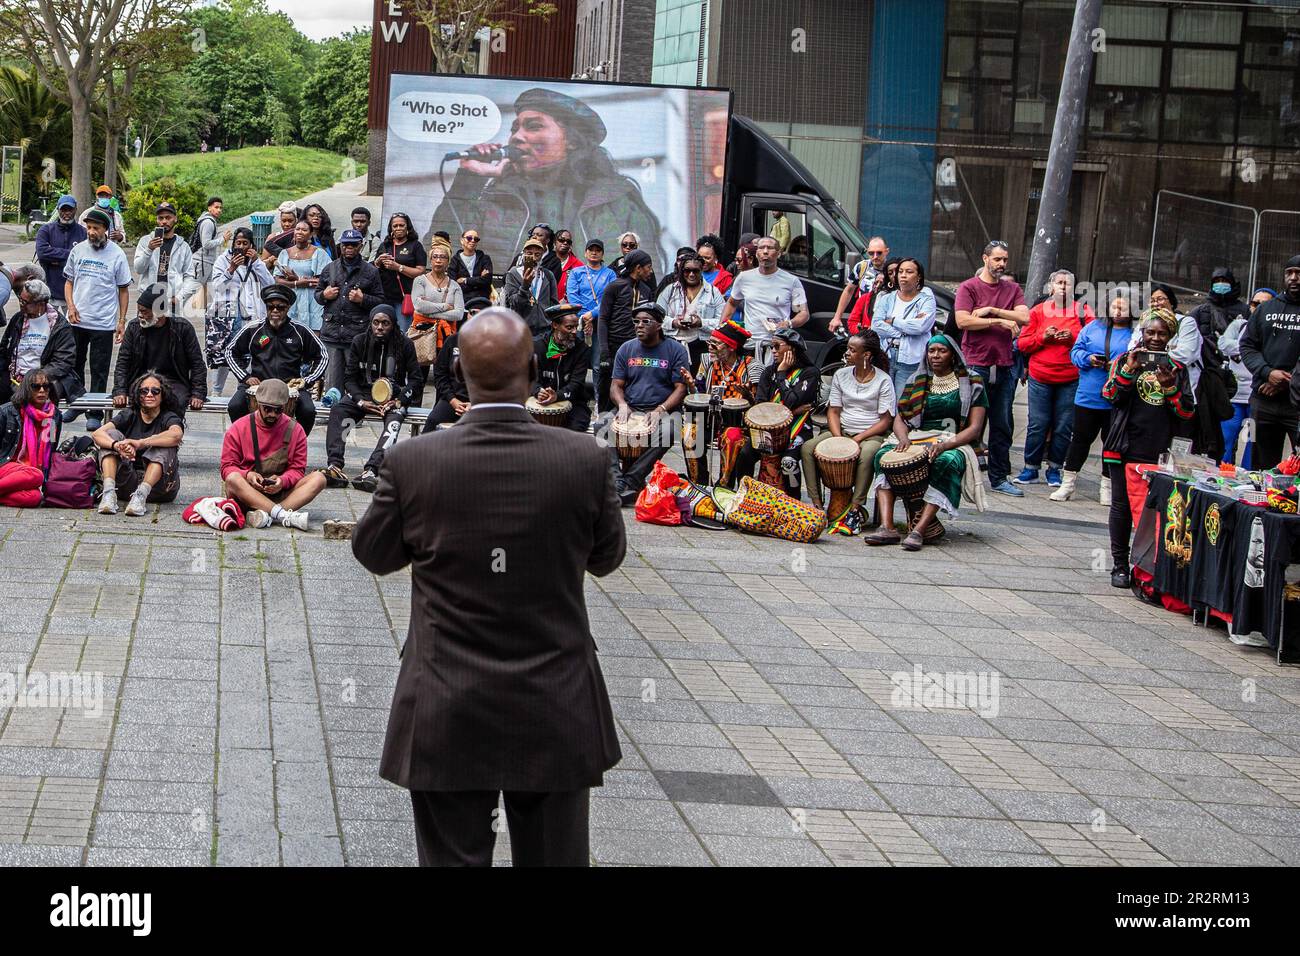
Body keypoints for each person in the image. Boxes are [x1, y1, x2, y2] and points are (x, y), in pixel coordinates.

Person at [352, 306, 625, 867]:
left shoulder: (413, 460)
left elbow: (373, 554)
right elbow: (607, 558)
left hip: (447, 697)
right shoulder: (584, 459)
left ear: (457, 369)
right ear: (532, 374)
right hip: (555, 698)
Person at [428, 85, 662, 273]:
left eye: (534, 126)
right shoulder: (494, 198)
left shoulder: (617, 201)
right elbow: (440, 251)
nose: (517, 137)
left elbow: (649, 271)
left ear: (570, 139)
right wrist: (468, 181)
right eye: (515, 128)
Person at [863, 334, 989, 550]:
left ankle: (919, 530)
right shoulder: (917, 379)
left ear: (953, 355)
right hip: (918, 436)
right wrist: (903, 438)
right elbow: (900, 418)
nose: (936, 355)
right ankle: (887, 526)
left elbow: (975, 428)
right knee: (882, 456)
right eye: (932, 351)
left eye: (942, 351)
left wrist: (944, 445)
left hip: (954, 439)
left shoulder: (971, 381)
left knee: (946, 461)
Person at [1100, 309, 1195, 588]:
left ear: (1171, 337)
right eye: (1150, 332)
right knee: (1121, 508)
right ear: (1142, 332)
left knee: (1158, 512)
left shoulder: (1178, 369)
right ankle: (1119, 565)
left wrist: (1170, 389)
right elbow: (1111, 396)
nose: (1155, 338)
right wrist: (1129, 371)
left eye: (1162, 333)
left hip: (1161, 451)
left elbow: (1187, 414)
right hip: (1124, 445)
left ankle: (1150, 567)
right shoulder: (1123, 361)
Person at [954, 240, 1030, 497]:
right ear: (985, 258)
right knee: (969, 420)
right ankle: (961, 472)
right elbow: (963, 320)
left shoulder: (1012, 289)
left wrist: (991, 310)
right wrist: (998, 320)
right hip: (976, 362)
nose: (1001, 264)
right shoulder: (969, 287)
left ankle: (999, 476)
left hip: (1005, 364)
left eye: (1005, 260)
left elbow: (1025, 317)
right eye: (997, 259)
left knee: (1003, 423)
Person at [322, 304, 424, 492]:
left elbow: (416, 380)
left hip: (394, 396)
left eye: (385, 323)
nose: (380, 327)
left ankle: (371, 471)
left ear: (393, 325)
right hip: (363, 394)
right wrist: (361, 401)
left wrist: (399, 400)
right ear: (370, 323)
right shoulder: (360, 341)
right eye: (376, 322)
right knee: (339, 411)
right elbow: (349, 378)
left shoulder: (405, 344)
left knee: (394, 423)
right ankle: (335, 466)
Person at [801, 331, 895, 532]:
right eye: (848, 349)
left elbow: (886, 420)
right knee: (808, 448)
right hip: (841, 430)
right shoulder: (841, 375)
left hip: (871, 434)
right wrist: (838, 439)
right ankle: (816, 504)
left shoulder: (883, 380)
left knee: (868, 454)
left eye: (853, 350)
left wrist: (859, 438)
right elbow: (833, 412)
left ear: (867, 355)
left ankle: (855, 509)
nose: (847, 353)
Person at [1014, 269, 1093, 487]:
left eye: (1068, 283)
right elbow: (1022, 344)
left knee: (1063, 426)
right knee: (1038, 423)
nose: (1063, 287)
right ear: (1051, 287)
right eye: (1059, 282)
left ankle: (1055, 469)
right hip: (1041, 376)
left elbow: (1093, 341)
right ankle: (1030, 468)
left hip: (1071, 377)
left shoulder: (1084, 312)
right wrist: (1043, 337)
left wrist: (1072, 338)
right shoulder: (1038, 311)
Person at [1052, 294, 1134, 503]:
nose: (1117, 312)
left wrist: (1117, 365)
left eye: (1122, 308)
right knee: (1079, 440)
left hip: (1117, 397)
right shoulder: (1092, 327)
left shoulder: (1135, 333)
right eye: (1114, 307)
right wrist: (1088, 359)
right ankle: (1067, 484)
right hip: (1088, 394)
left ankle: (1106, 487)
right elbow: (1075, 352)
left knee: (1112, 443)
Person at [606, 303, 690, 504]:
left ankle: (630, 480)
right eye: (636, 322)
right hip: (631, 407)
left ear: (659, 324)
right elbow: (615, 386)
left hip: (660, 409)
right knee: (602, 424)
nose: (639, 326)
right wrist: (623, 405)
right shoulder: (627, 349)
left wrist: (660, 409)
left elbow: (680, 388)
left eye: (646, 321)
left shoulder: (675, 350)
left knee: (670, 429)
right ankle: (618, 480)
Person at [220, 377, 326, 530]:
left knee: (319, 479)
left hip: (280, 492)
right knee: (233, 478)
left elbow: (298, 470)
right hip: (247, 492)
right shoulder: (238, 428)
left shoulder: (296, 430)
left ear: (285, 406)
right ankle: (282, 515)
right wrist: (247, 475)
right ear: (258, 404)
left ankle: (268, 515)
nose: (272, 414)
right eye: (267, 409)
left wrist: (282, 481)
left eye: (278, 410)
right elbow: (226, 468)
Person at [224, 285, 327, 434]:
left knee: (308, 411)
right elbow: (229, 352)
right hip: (258, 382)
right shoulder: (254, 329)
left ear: (288, 308)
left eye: (280, 307)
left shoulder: (300, 330)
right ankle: (245, 440)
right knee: (235, 406)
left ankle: (297, 444)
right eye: (270, 307)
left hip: (291, 384)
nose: (275, 311)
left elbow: (322, 354)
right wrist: (245, 377)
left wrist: (308, 379)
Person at [62, 208, 131, 430]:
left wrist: (121, 321)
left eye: (96, 228)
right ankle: (77, 403)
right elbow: (69, 282)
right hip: (77, 319)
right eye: (89, 228)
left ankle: (95, 411)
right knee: (74, 365)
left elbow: (123, 290)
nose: (91, 232)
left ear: (105, 230)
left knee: (99, 369)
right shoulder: (78, 251)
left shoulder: (117, 254)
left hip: (102, 322)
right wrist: (70, 306)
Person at [736, 327, 819, 496]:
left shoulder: (810, 373)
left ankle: (794, 499)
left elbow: (791, 400)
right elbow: (761, 406)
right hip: (767, 430)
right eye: (771, 347)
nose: (773, 351)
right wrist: (792, 411)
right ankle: (744, 494)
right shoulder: (768, 372)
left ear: (792, 349)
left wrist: (781, 374)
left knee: (789, 462)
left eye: (777, 346)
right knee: (745, 454)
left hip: (798, 428)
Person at [92, 371, 184, 516]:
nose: (149, 394)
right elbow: (97, 433)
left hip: (159, 487)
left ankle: (141, 496)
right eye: (144, 391)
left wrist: (141, 443)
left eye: (155, 391)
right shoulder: (130, 414)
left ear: (162, 394)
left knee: (163, 443)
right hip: (127, 481)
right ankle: (108, 493)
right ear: (137, 394)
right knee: (110, 436)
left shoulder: (169, 417)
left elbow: (176, 435)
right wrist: (117, 445)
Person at [1240, 256, 1300, 469]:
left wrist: (1286, 381)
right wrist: (1267, 372)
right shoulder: (1265, 309)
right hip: (1262, 401)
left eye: (1298, 273)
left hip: (1297, 404)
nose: (1293, 278)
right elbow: (1247, 346)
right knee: (1258, 462)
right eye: (1289, 272)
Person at [112, 284, 207, 413]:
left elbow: (197, 364)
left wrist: (198, 393)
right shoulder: (134, 327)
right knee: (141, 401)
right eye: (139, 311)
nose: (140, 315)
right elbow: (123, 362)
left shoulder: (183, 328)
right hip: (142, 379)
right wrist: (119, 390)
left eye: (145, 311)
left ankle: (170, 431)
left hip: (174, 382)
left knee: (175, 402)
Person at [719, 236, 809, 365]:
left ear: (779, 253)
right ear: (756, 254)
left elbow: (803, 313)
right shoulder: (744, 278)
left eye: (770, 248)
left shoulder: (791, 281)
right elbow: (732, 302)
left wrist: (789, 324)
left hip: (777, 345)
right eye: (761, 248)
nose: (765, 252)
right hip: (750, 344)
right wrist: (722, 327)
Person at [316, 229, 385, 396]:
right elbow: (318, 294)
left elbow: (380, 301)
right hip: (332, 333)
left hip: (357, 334)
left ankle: (356, 410)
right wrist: (324, 295)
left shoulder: (371, 271)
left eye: (353, 245)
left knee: (356, 377)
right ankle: (333, 411)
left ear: (360, 246)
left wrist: (363, 299)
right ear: (340, 246)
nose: (349, 248)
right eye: (345, 245)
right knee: (332, 380)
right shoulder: (330, 268)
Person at [207, 227, 274, 396]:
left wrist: (257, 263)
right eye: (238, 243)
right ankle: (216, 392)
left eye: (245, 243)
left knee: (247, 355)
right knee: (222, 355)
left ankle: (243, 391)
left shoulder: (256, 263)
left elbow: (270, 285)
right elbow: (217, 288)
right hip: (225, 317)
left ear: (251, 245)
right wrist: (231, 268)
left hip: (250, 317)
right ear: (233, 244)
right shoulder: (222, 261)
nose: (242, 247)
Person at [0, 280, 81, 408]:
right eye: (20, 300)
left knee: (28, 393)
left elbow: (64, 360)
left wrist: (36, 377)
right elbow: (4, 350)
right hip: (14, 376)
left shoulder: (59, 326)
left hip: (42, 378)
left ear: (41, 304)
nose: (21, 305)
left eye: (25, 302)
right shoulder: (18, 319)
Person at [1218, 289, 1273, 469]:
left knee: (1253, 441)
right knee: (1226, 437)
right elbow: (1223, 344)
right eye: (1254, 303)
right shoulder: (1239, 324)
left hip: (1258, 396)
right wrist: (1249, 349)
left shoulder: (1274, 331)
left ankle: (1249, 480)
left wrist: (1243, 350)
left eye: (1264, 304)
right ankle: (1220, 474)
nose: (1257, 307)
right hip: (1234, 396)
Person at [596, 249, 655, 413]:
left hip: (637, 348)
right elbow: (603, 319)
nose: (650, 271)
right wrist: (604, 351)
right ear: (638, 268)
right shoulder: (615, 286)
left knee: (632, 387)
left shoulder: (646, 290)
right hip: (614, 347)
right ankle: (603, 425)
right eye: (648, 267)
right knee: (607, 388)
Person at [871, 257, 937, 393]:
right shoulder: (887, 298)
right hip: (887, 355)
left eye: (909, 272)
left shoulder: (926, 299)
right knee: (884, 402)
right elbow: (876, 325)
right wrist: (901, 333)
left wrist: (894, 321)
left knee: (904, 405)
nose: (903, 275)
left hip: (911, 358)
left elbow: (921, 326)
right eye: (900, 271)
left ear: (918, 276)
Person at [0, 369, 61, 507]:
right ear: (27, 388)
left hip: (27, 474)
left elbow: (52, 447)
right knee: (37, 475)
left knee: (34, 497)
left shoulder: (54, 416)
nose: (42, 390)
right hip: (4, 464)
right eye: (36, 386)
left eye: (46, 386)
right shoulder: (7, 412)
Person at [531, 303, 591, 432]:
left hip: (574, 401)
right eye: (569, 327)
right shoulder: (537, 346)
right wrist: (538, 391)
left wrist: (557, 396)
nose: (575, 332)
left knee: (577, 428)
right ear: (555, 325)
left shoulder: (582, 349)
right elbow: (529, 379)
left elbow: (576, 384)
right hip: (539, 400)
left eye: (576, 327)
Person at [659, 255, 725, 370]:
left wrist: (701, 323)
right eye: (687, 270)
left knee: (698, 383)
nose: (691, 274)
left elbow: (722, 322)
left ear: (702, 270)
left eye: (695, 271)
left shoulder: (713, 292)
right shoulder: (670, 290)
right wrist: (674, 323)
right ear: (682, 271)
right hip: (672, 344)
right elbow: (657, 317)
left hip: (702, 346)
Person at [132, 202, 193, 312]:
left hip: (172, 303)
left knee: (174, 329)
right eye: (161, 218)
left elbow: (190, 275)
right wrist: (149, 249)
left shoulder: (183, 247)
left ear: (175, 219)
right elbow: (138, 269)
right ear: (157, 220)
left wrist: (180, 297)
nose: (164, 221)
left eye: (168, 217)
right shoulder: (145, 241)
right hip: (148, 302)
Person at [374, 212, 428, 335]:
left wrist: (398, 267)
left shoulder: (415, 246)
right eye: (395, 226)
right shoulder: (385, 245)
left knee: (403, 332)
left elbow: (421, 271)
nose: (398, 228)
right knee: (382, 332)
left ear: (407, 227)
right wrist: (378, 261)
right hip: (384, 296)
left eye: (401, 225)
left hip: (404, 297)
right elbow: (374, 269)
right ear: (391, 228)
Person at [275, 220, 331, 332]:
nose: (299, 232)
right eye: (297, 229)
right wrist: (296, 283)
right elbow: (277, 280)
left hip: (312, 299)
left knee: (313, 333)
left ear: (311, 234)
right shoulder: (285, 253)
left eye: (304, 230)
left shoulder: (319, 253)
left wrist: (304, 281)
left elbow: (327, 279)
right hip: (290, 298)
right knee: (290, 331)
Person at [830, 235, 889, 334]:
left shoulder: (893, 270)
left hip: (884, 320)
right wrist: (837, 317)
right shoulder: (861, 267)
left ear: (886, 251)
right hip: (863, 319)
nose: (875, 256)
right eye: (871, 253)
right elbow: (848, 291)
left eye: (879, 253)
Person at [35, 196, 86, 309]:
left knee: (72, 326)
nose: (66, 213)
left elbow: (85, 258)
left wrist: (55, 259)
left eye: (70, 209)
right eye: (63, 210)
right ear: (58, 210)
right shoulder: (45, 230)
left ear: (75, 210)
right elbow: (42, 254)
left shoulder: (83, 232)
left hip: (75, 295)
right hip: (49, 293)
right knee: (49, 326)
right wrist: (72, 255)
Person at [412, 243, 465, 350]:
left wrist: (429, 313)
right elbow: (419, 307)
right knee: (422, 364)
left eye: (443, 257)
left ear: (448, 261)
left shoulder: (455, 286)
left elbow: (459, 314)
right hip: (422, 331)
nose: (438, 260)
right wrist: (445, 306)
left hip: (446, 333)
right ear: (430, 260)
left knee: (442, 366)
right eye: (435, 256)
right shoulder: (420, 280)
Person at [565, 239, 615, 351]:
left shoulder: (610, 274)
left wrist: (593, 314)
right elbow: (572, 296)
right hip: (579, 321)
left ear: (602, 254)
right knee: (577, 357)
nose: (594, 252)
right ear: (585, 253)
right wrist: (585, 317)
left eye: (598, 250)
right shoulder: (576, 272)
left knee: (597, 364)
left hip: (601, 321)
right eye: (591, 250)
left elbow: (611, 299)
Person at [504, 236, 559, 334]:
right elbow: (512, 303)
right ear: (524, 254)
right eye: (529, 254)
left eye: (537, 254)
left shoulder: (548, 275)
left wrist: (549, 321)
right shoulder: (513, 273)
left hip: (544, 330)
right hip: (520, 329)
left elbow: (554, 303)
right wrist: (525, 285)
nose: (533, 258)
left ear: (542, 255)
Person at [695, 319, 761, 400]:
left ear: (731, 347)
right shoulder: (707, 361)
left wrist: (747, 395)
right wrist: (691, 386)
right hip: (711, 410)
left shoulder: (752, 367)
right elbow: (698, 396)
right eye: (709, 342)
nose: (710, 347)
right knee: (691, 412)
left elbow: (758, 404)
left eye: (715, 344)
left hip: (741, 412)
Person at [190, 196, 228, 311]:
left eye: (220, 208)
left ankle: (203, 312)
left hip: (206, 260)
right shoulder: (208, 222)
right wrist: (222, 239)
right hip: (202, 261)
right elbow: (206, 243)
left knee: (207, 287)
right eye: (216, 207)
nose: (219, 210)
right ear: (209, 208)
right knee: (196, 288)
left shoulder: (207, 220)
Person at [448, 228, 494, 305]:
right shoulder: (454, 260)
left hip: (481, 300)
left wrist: (465, 280)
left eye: (476, 239)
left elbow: (487, 280)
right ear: (462, 240)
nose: (472, 241)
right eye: (469, 238)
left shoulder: (485, 258)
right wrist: (478, 282)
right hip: (461, 300)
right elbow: (453, 284)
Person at [260, 201, 300, 266]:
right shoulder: (273, 237)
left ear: (296, 220)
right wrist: (271, 260)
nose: (287, 224)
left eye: (290, 221)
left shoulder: (300, 237)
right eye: (284, 221)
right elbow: (262, 264)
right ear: (280, 221)